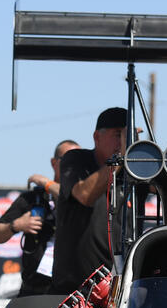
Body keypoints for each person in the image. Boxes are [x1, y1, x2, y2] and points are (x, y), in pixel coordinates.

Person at [0, 139, 79, 296]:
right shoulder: (32, 198)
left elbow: (68, 195)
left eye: (77, 160)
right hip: (35, 288)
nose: (73, 165)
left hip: (73, 289)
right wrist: (16, 225)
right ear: (54, 163)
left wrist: (46, 182)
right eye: (67, 159)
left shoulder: (85, 198)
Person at [51, 108, 127, 294]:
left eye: (127, 135)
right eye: (118, 135)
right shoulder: (76, 159)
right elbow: (84, 194)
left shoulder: (132, 168)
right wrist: (118, 159)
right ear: (96, 137)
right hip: (72, 291)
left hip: (117, 290)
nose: (123, 141)